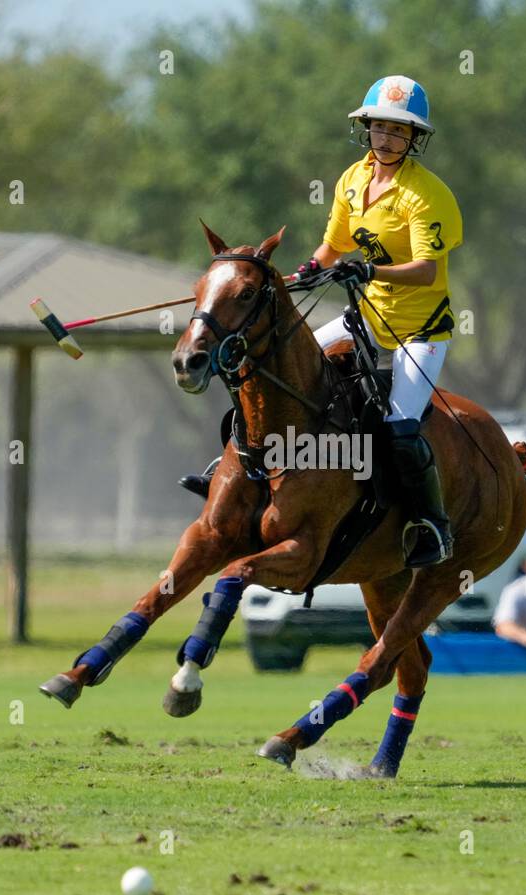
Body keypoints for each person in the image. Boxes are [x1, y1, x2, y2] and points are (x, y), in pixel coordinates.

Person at [179, 75, 464, 568]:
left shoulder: (427, 195)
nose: (387, 138)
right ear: (366, 128)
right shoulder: (352, 180)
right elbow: (333, 246)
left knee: (400, 428)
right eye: (380, 127)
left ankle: (431, 524)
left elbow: (427, 271)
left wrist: (369, 270)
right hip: (368, 317)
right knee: (277, 366)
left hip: (419, 332)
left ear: (414, 138)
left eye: (399, 130)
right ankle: (228, 473)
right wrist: (312, 268)